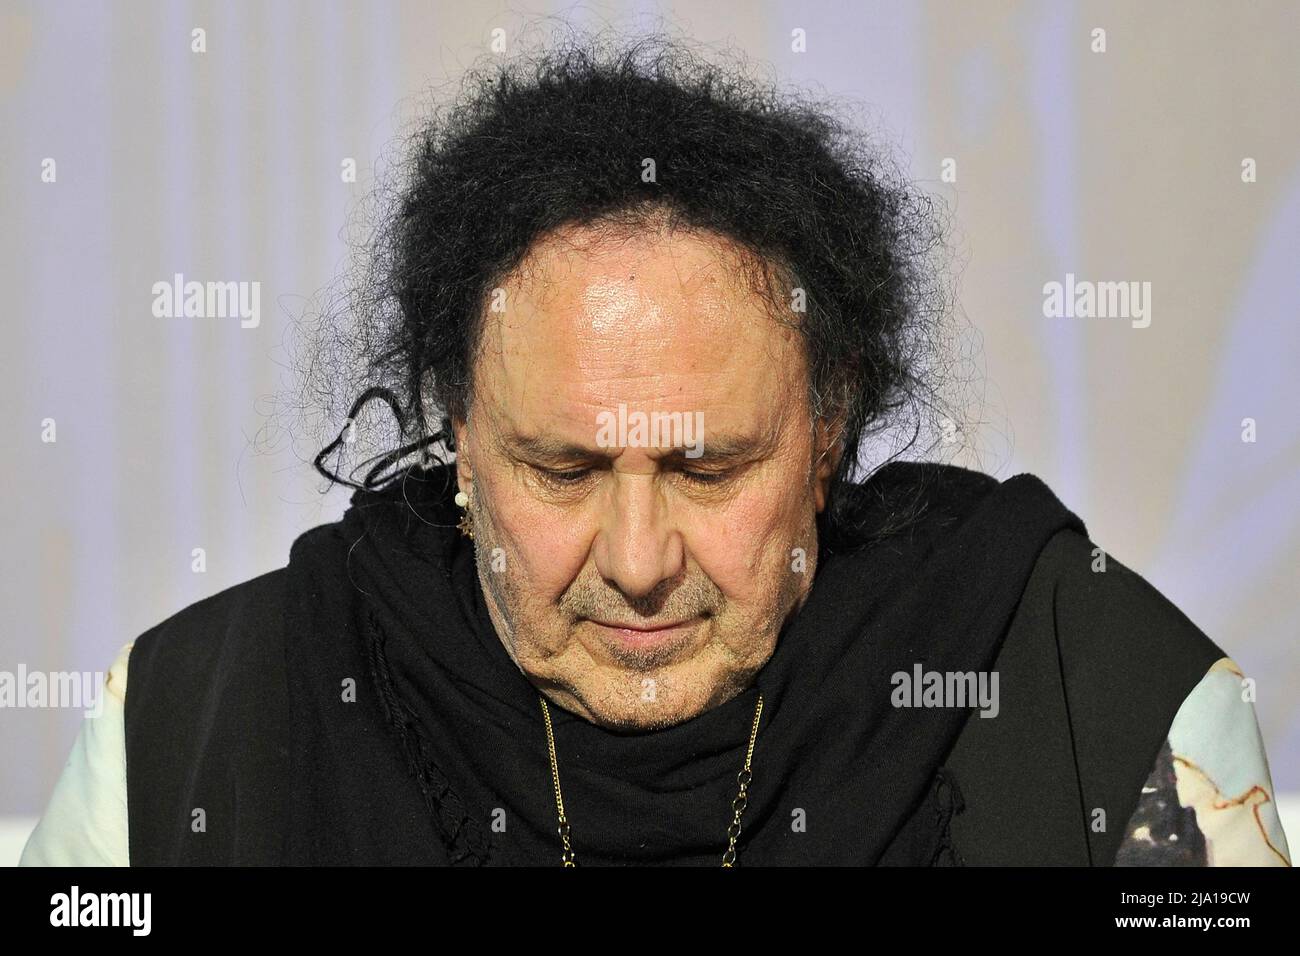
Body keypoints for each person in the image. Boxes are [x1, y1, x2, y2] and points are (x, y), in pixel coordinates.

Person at [21, 34, 1290, 867]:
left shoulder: (1090, 692)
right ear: (455, 429)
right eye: (561, 470)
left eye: (709, 468)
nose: (635, 564)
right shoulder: (193, 723)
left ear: (828, 429)